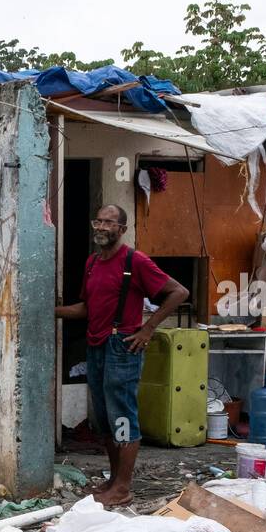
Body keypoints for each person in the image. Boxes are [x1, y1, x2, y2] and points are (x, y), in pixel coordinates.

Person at [55, 204, 189, 506]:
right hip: (97, 346)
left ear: (122, 229)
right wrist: (51, 312)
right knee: (105, 419)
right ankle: (114, 481)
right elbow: (87, 309)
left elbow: (179, 292)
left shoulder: (134, 260)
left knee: (123, 417)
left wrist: (147, 330)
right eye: (98, 221)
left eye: (109, 222)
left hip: (122, 347)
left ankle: (123, 488)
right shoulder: (92, 263)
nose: (101, 227)